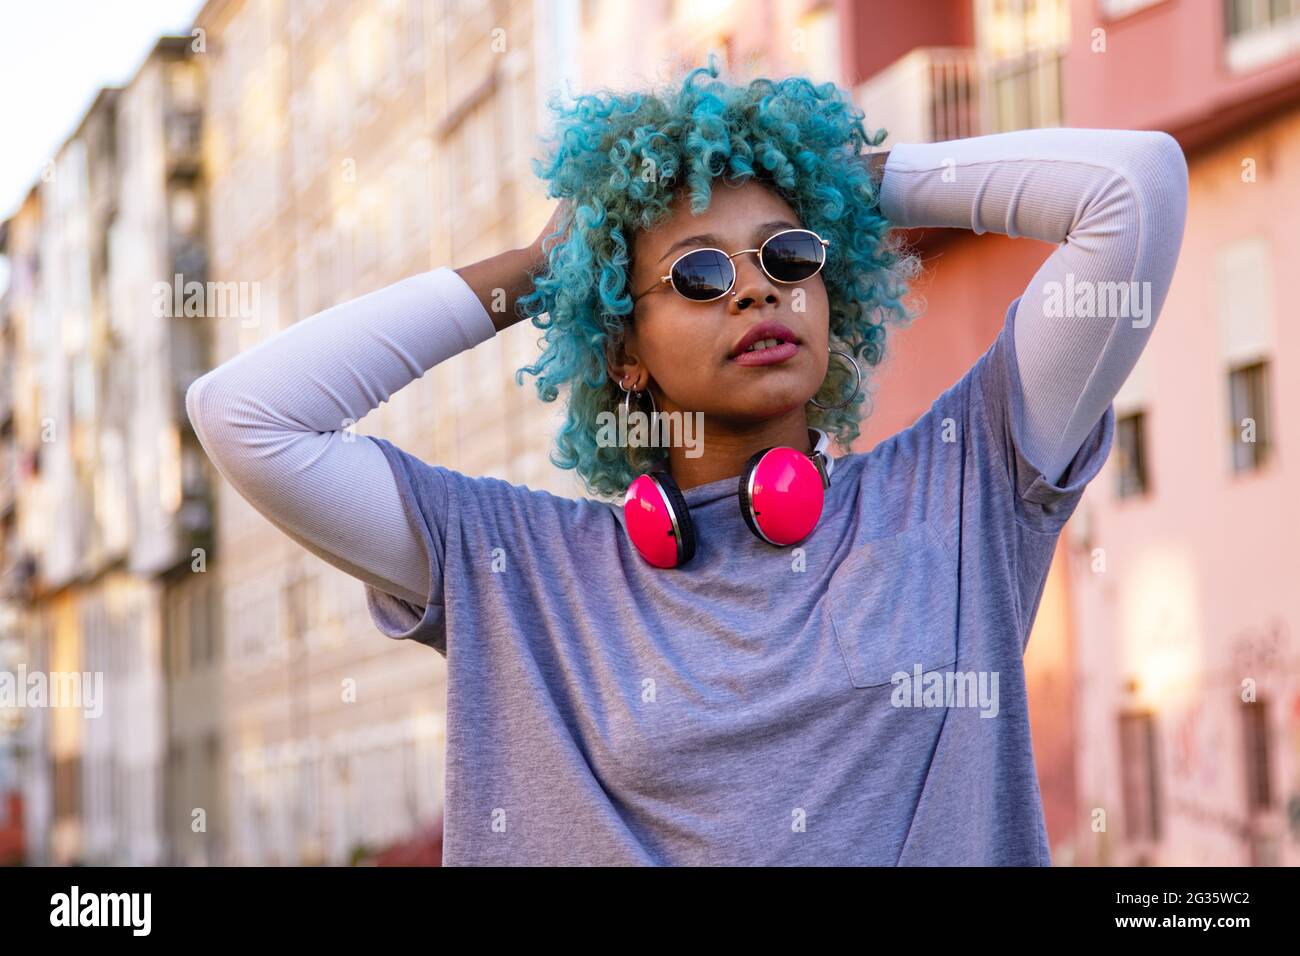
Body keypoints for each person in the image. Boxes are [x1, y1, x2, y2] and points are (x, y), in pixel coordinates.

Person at [186, 58, 1188, 865]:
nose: (756, 290)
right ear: (621, 343)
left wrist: (848, 184)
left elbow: (1135, 189)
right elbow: (245, 414)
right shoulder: (517, 571)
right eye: (700, 271)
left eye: (789, 255)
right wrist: (545, 268)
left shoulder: (962, 489)